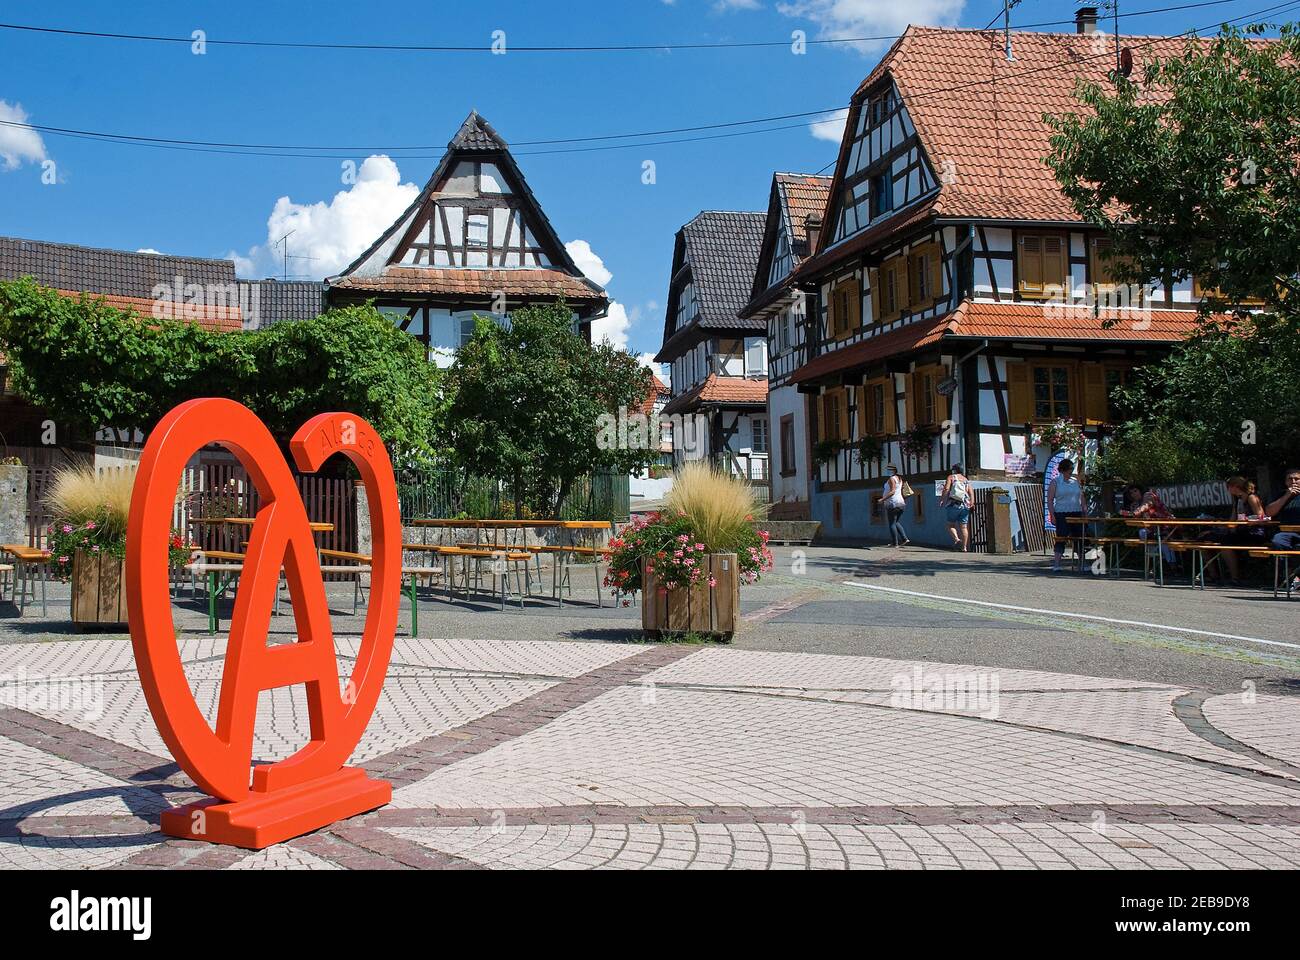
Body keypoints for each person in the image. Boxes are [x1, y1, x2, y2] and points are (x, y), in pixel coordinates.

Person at [1198, 475, 1267, 584]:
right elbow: (1232, 521)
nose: (1227, 490)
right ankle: (1213, 575)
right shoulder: (1237, 499)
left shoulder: (1251, 497)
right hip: (1240, 531)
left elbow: (1261, 516)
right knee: (1205, 539)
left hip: (1253, 532)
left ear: (1235, 486)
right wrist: (1219, 524)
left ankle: (1235, 577)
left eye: (1228, 487)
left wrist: (1245, 520)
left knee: (1226, 544)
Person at [1048, 459, 1085, 572]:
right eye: (1069, 469)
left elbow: (1082, 497)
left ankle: (1081, 563)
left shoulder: (1075, 482)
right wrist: (1052, 515)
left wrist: (1084, 510)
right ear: (1063, 470)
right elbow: (1050, 499)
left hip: (1076, 512)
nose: (1071, 471)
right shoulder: (1056, 482)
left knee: (1079, 536)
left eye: (1072, 469)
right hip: (1061, 512)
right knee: (1061, 537)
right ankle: (1057, 563)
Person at [1267, 466, 1300, 552]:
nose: (1293, 482)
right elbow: (1269, 513)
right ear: (1286, 482)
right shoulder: (1281, 495)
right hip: (1286, 532)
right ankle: (1283, 565)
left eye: (1296, 479)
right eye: (1290, 479)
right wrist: (1287, 496)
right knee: (1277, 541)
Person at [941, 464, 971, 552]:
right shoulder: (966, 480)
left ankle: (957, 539)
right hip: (965, 505)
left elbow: (946, 489)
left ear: (954, 470)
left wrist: (942, 499)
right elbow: (971, 492)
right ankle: (964, 547)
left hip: (953, 504)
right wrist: (972, 502)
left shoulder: (951, 477)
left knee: (950, 525)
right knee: (964, 527)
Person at [882, 465, 910, 547]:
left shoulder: (892, 478)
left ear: (893, 470)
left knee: (892, 523)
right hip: (901, 503)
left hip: (893, 503)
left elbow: (892, 491)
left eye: (888, 470)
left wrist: (882, 499)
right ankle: (905, 538)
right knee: (896, 522)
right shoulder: (899, 478)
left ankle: (895, 543)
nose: (887, 471)